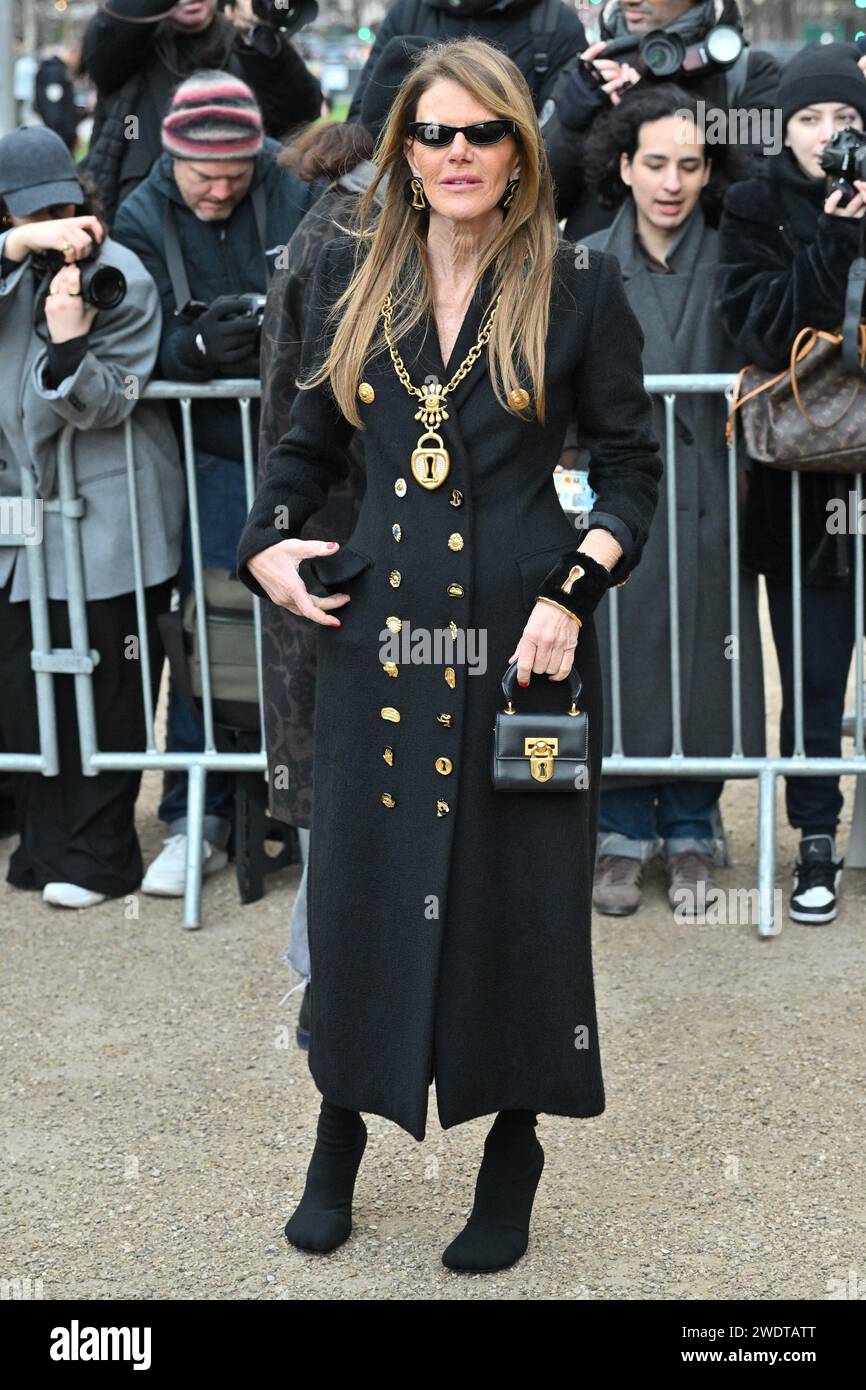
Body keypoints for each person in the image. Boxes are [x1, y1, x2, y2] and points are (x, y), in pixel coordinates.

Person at [236, 37, 661, 1271]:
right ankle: (336, 1139)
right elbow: (304, 445)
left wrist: (574, 595)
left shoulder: (576, 282)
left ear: (518, 147)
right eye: (433, 135)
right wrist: (267, 543)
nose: (457, 154)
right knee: (361, 893)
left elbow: (631, 469)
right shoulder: (357, 275)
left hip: (523, 651)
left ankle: (511, 1154)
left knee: (519, 905)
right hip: (377, 647)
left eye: (482, 133)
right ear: (402, 153)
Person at [112, 72, 322, 897]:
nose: (223, 188)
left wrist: (279, 336)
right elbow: (133, 331)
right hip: (205, 460)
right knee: (204, 631)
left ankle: (300, 805)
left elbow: (333, 291)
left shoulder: (290, 182)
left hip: (301, 453)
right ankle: (191, 815)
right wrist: (191, 355)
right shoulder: (140, 210)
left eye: (238, 172)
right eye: (206, 176)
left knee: (303, 630)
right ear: (171, 158)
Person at [256, 38, 425, 1041]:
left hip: (365, 547)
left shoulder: (374, 219)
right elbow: (309, 423)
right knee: (348, 794)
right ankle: (334, 995)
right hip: (344, 552)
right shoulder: (348, 240)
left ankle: (362, 985)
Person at [576, 86, 764, 917]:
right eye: (655, 162)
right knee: (618, 648)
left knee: (706, 650)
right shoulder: (581, 259)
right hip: (621, 491)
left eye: (690, 164)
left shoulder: (734, 255)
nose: (672, 181)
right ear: (623, 166)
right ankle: (620, 831)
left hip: (714, 493)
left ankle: (692, 827)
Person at [0, 126, 184, 907]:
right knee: (21, 685)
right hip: (22, 523)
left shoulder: (119, 275)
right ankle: (44, 846)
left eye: (61, 209)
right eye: (30, 216)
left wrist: (68, 344)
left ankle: (95, 851)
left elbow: (110, 400)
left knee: (108, 683)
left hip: (114, 514)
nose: (53, 228)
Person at [718, 42, 866, 925]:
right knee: (812, 675)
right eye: (808, 120)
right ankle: (814, 841)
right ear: (781, 129)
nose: (826, 138)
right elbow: (760, 328)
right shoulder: (752, 204)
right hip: (803, 489)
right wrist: (839, 240)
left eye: (845, 121)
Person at [543, 0, 779, 238]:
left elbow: (761, 195)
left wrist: (659, 108)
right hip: (595, 268)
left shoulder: (750, 72)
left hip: (710, 267)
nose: (629, 1)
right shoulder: (589, 72)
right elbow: (535, 202)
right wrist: (569, 124)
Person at [80, 0, 322, 220]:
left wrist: (261, 36)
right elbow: (107, 30)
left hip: (243, 215)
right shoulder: (126, 46)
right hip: (147, 220)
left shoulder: (242, 38)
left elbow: (301, 114)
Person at [346, 0, 588, 124]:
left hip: (512, 203)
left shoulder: (556, 23)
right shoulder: (408, 11)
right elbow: (366, 121)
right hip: (410, 198)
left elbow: (559, 140)